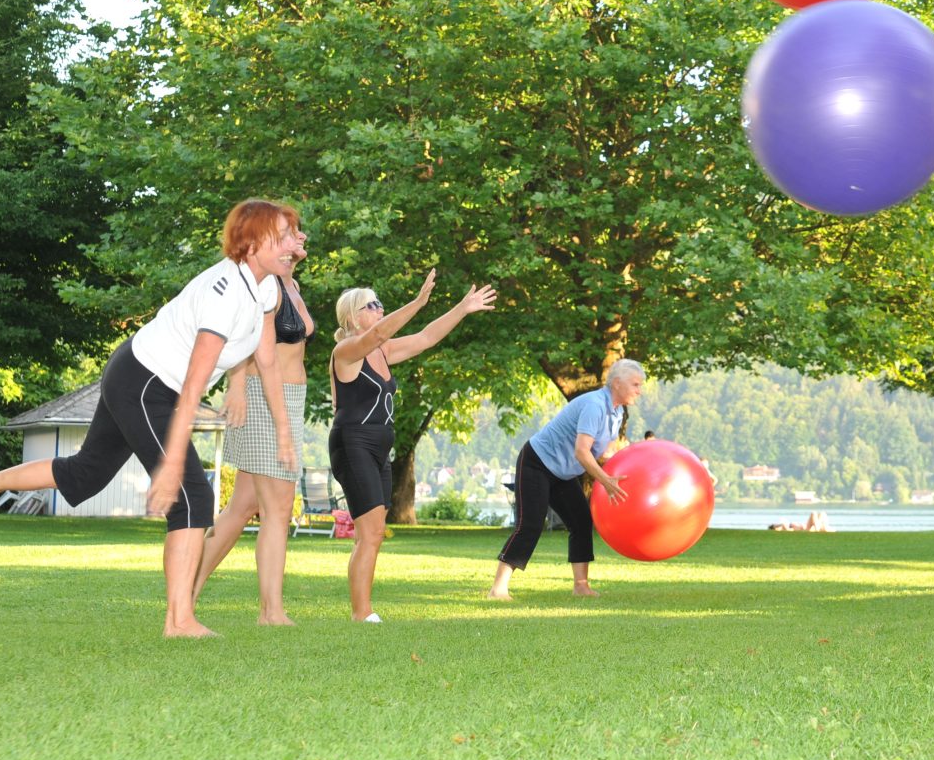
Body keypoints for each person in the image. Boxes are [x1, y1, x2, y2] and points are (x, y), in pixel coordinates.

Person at [0, 200, 305, 637]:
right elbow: (194, 386)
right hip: (144, 379)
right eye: (283, 235)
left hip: (147, 379)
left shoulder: (265, 289)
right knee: (192, 496)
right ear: (252, 243)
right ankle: (179, 620)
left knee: (86, 473)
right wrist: (173, 460)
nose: (293, 243)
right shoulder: (225, 292)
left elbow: (266, 362)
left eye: (294, 234)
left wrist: (284, 434)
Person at [329, 271, 497, 622]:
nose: (379, 308)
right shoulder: (346, 350)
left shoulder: (383, 351)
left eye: (379, 303)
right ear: (352, 317)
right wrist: (418, 302)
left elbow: (425, 338)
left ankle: (364, 611)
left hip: (378, 448)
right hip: (353, 442)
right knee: (370, 532)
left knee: (373, 533)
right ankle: (362, 614)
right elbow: (378, 332)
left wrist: (461, 309)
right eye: (371, 305)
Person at [192, 230, 317, 624]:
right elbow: (243, 341)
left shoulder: (290, 284)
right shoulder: (265, 288)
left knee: (240, 509)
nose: (301, 240)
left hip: (288, 401)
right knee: (278, 509)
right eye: (292, 237)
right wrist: (238, 387)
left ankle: (185, 593)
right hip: (266, 400)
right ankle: (271, 611)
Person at [489, 360, 644, 600]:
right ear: (616, 383)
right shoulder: (595, 406)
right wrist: (605, 481)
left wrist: (637, 463)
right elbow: (582, 452)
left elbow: (604, 454)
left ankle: (581, 586)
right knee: (529, 524)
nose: (639, 390)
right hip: (537, 463)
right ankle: (498, 589)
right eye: (635, 384)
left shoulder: (618, 413)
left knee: (581, 522)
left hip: (563, 472)